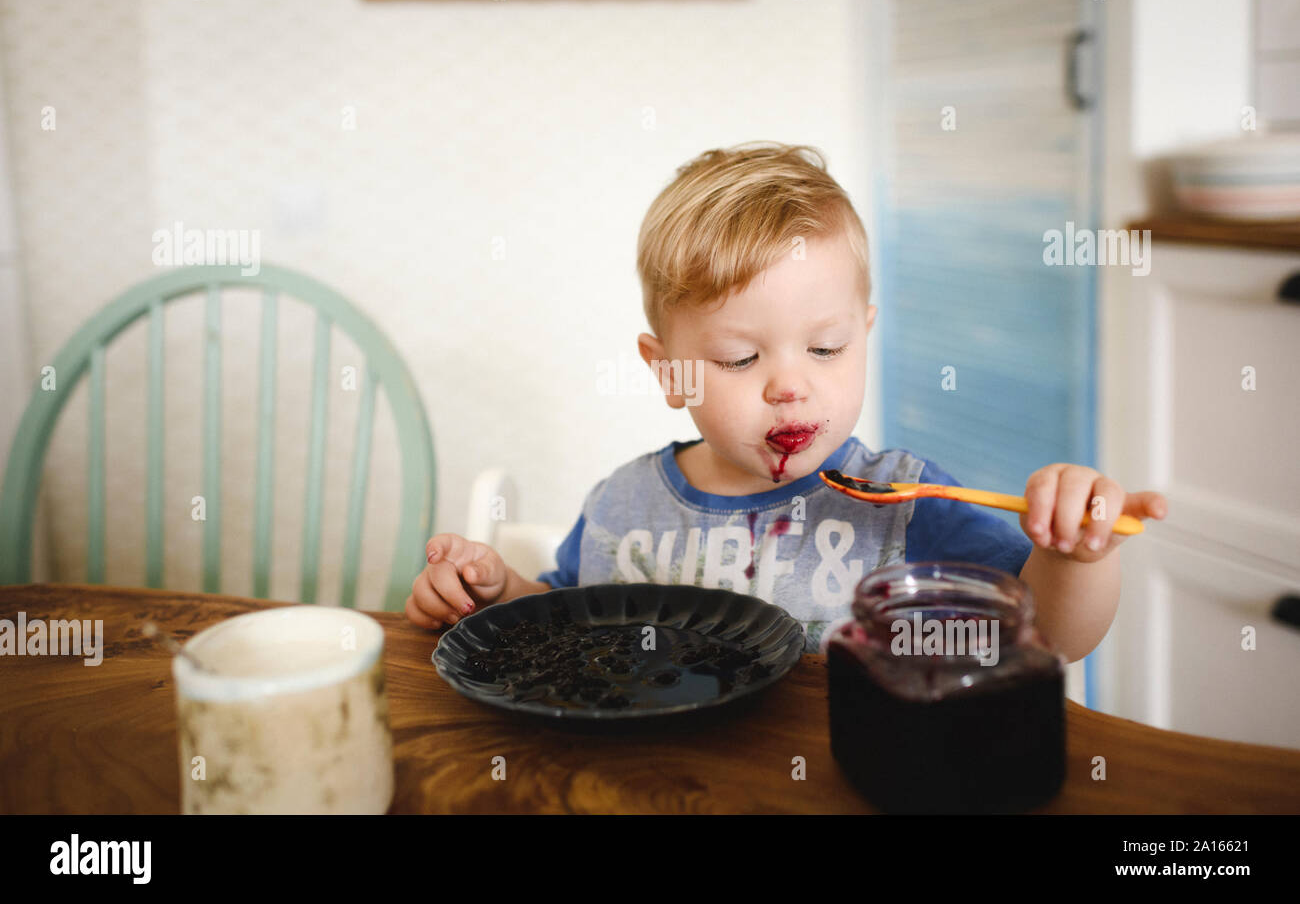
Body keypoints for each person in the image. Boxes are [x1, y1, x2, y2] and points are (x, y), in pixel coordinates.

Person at [405, 142, 1167, 659]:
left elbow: (1049, 638)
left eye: (827, 348)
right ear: (670, 373)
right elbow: (559, 615)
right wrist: (492, 592)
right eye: (741, 357)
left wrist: (1073, 557)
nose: (791, 384)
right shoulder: (622, 503)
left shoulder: (903, 504)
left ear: (865, 335)